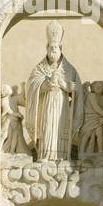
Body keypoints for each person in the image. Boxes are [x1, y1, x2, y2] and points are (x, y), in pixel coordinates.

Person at [21, 21, 84, 161]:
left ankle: (60, 156)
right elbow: (31, 85)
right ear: (47, 48)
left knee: (59, 129)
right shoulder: (39, 68)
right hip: (46, 106)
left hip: (62, 106)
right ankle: (45, 155)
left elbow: (77, 89)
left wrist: (68, 87)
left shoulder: (69, 69)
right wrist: (46, 84)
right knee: (48, 128)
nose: (53, 49)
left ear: (60, 48)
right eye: (51, 47)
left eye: (56, 47)